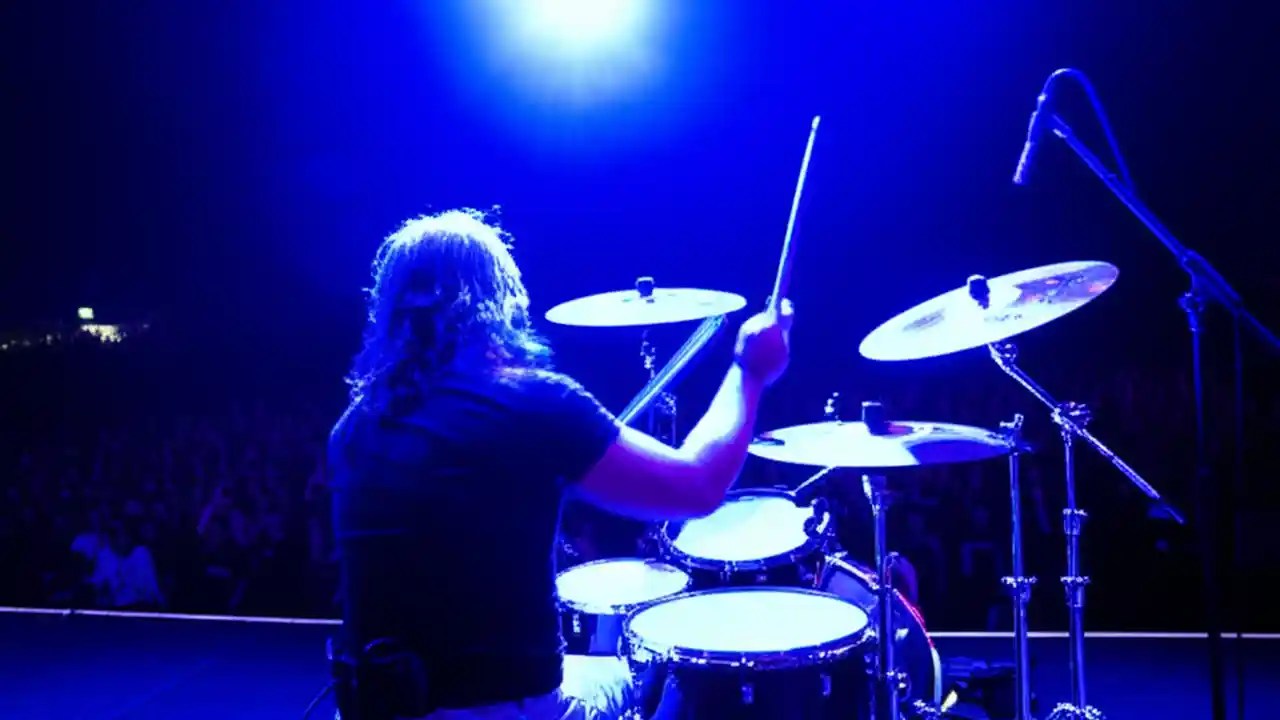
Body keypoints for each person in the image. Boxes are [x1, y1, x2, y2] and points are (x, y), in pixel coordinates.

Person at [328, 209, 792, 720]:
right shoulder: (531, 403)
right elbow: (698, 486)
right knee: (631, 672)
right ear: (498, 300)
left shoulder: (354, 428)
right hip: (497, 710)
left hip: (373, 705)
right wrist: (748, 370)